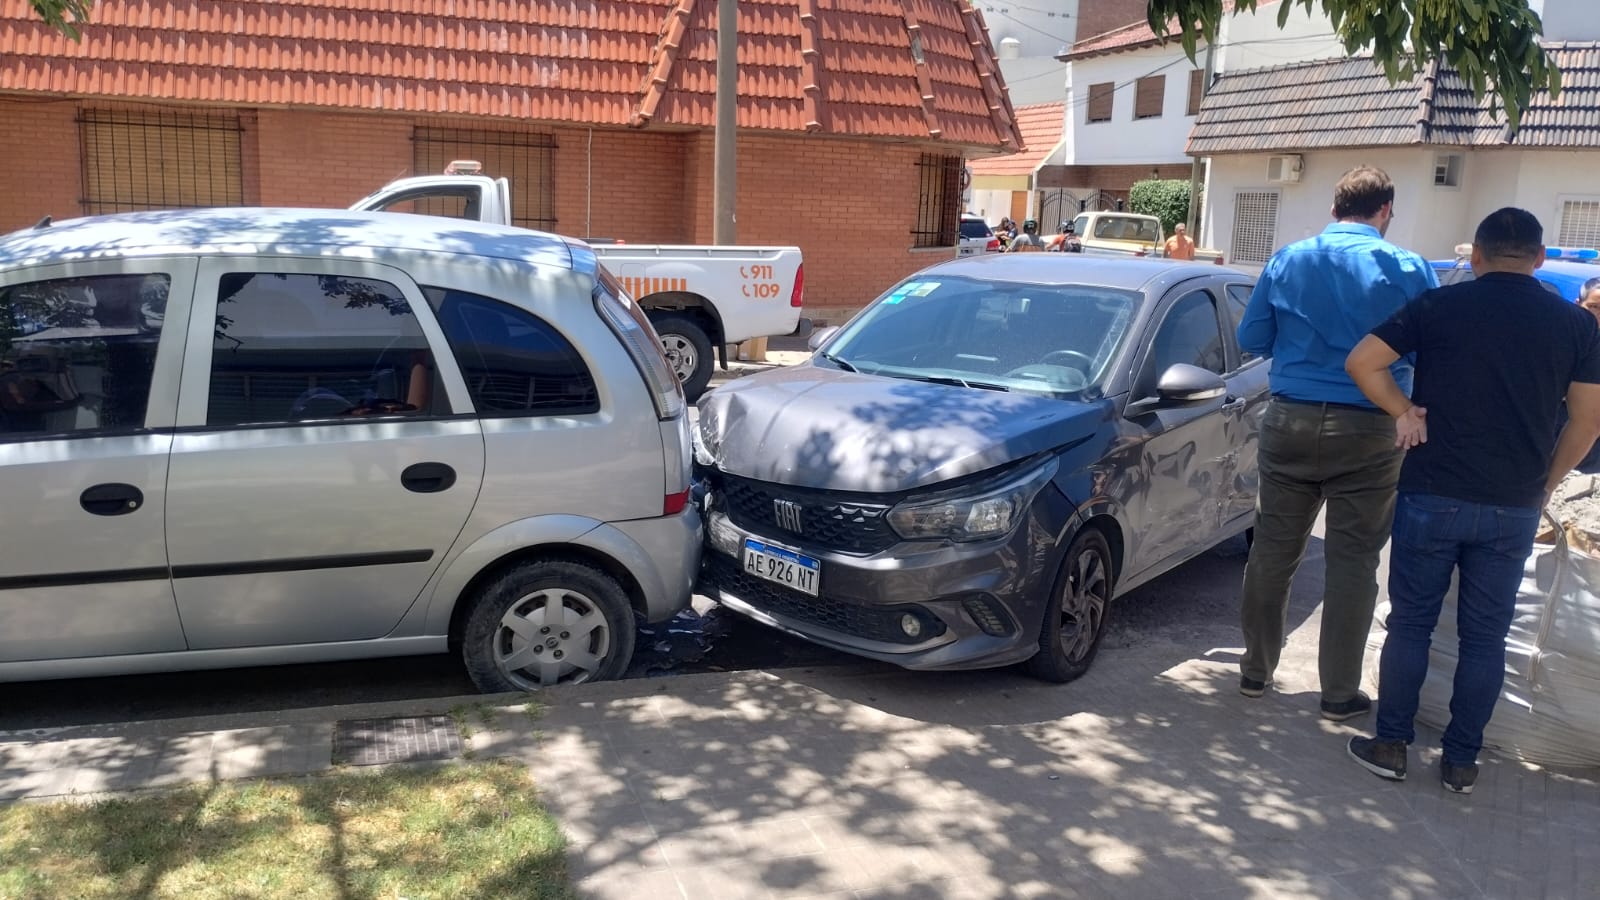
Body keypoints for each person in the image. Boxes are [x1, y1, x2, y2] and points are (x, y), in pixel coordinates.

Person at [1343, 208, 1600, 793]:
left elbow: (1363, 361)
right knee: (1486, 637)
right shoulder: (1576, 326)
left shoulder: (1441, 305)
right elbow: (1588, 422)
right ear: (1538, 259)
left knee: (1411, 623)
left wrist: (1403, 412)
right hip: (1513, 503)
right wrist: (1547, 484)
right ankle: (1461, 761)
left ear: (1477, 256)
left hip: (1432, 490)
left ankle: (1391, 745)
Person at [1234, 166, 1438, 720]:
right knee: (1353, 561)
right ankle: (1339, 693)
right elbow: (1429, 349)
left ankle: (1255, 672)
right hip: (1373, 427)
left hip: (1291, 418)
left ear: (1333, 209)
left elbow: (1251, 337)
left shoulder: (1288, 259)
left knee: (1273, 550)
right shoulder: (1409, 268)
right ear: (1385, 211)